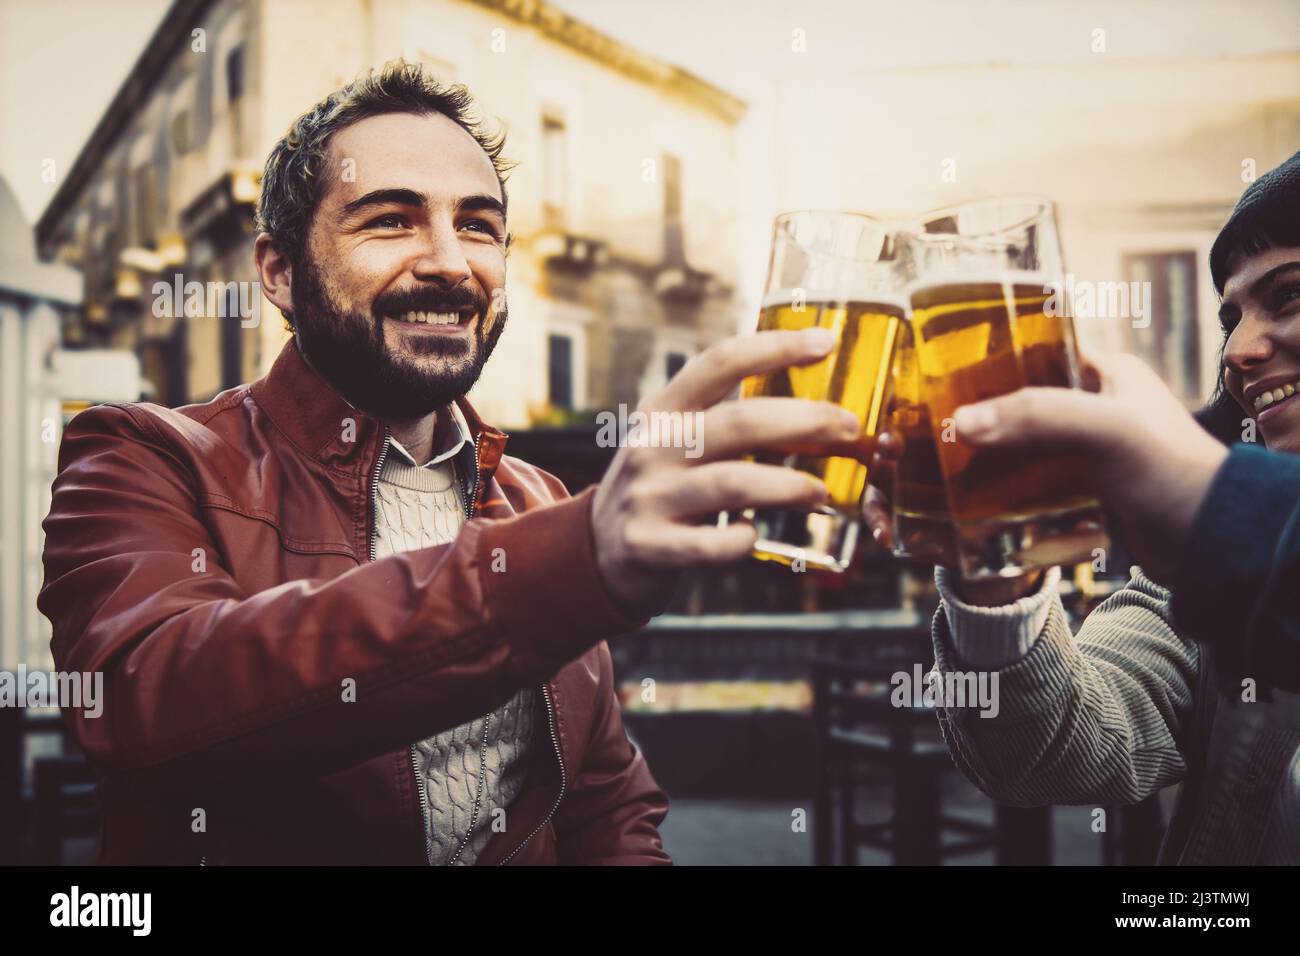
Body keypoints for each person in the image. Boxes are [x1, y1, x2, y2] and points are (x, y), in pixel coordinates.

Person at [37, 61, 861, 865]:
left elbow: (608, 800)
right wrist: (573, 560)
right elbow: (150, 701)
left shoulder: (541, 498)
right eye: (391, 219)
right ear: (279, 272)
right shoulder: (141, 453)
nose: (449, 261)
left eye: (477, 224)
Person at [864, 150, 1300, 864]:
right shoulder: (1195, 579)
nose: (1239, 351)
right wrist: (994, 576)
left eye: (1288, 295)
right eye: (1231, 316)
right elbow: (1052, 752)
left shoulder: (1215, 539)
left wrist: (1213, 510)